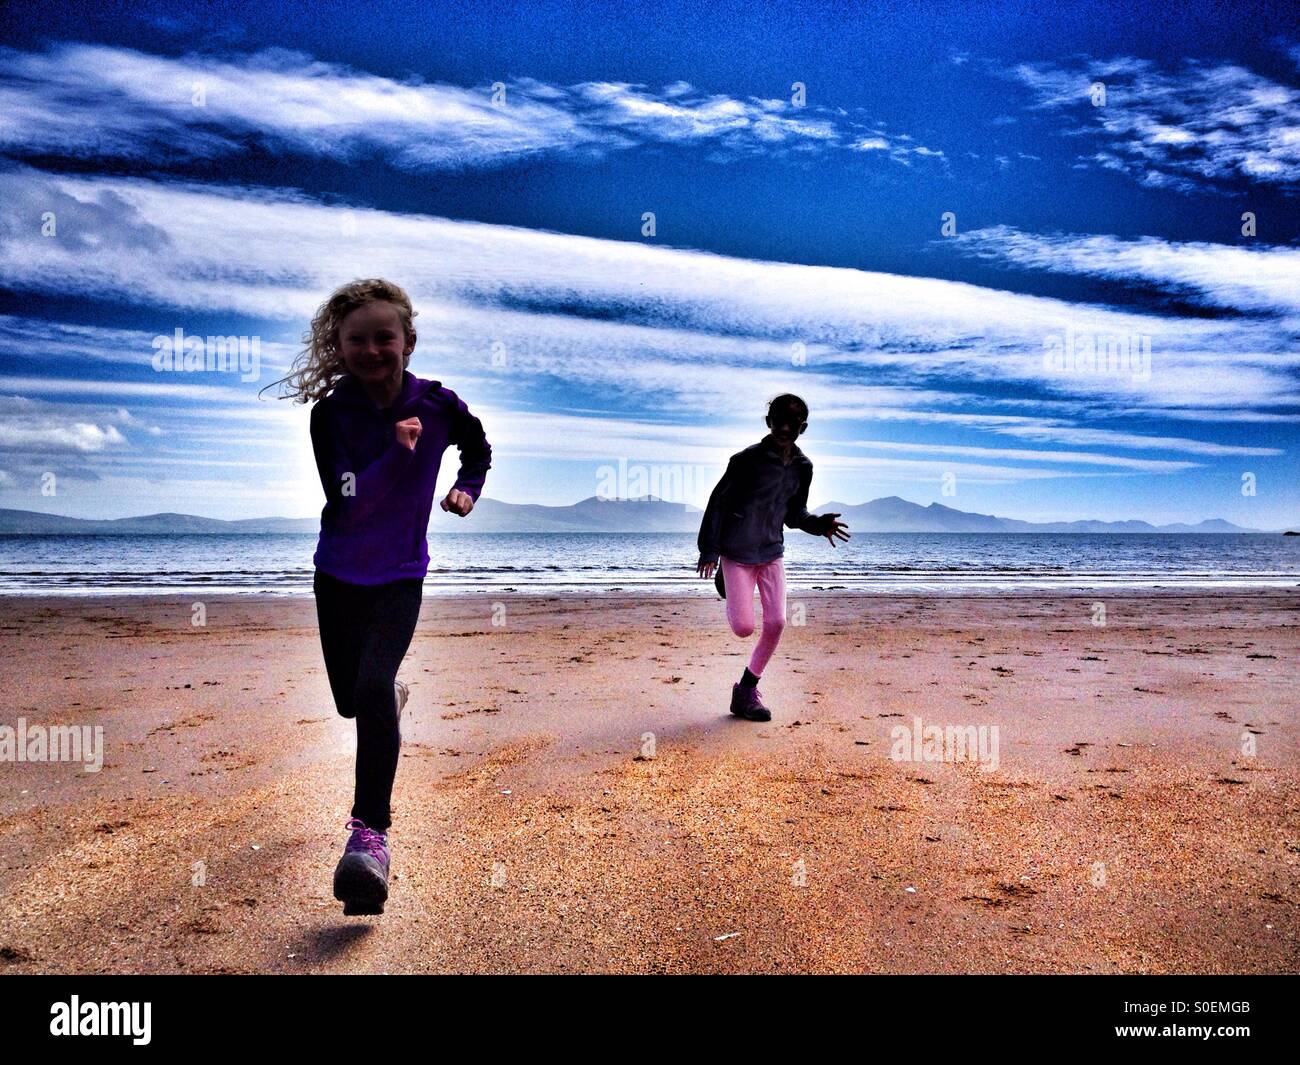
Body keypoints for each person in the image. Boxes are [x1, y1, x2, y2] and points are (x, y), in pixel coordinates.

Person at [265, 278, 491, 915]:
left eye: (382, 338)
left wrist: (466, 488)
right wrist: (397, 454)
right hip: (337, 573)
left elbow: (478, 448)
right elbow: (343, 494)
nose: (370, 350)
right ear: (337, 346)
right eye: (356, 340)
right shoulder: (330, 414)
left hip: (399, 575)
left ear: (408, 341)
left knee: (368, 689)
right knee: (352, 700)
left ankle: (369, 840)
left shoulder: (441, 404)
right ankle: (386, 693)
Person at [696, 394, 849, 721]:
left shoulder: (803, 467)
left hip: (771, 553)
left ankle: (747, 690)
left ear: (802, 427)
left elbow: (794, 515)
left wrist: (817, 524)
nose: (783, 426)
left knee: (777, 622)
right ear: (768, 421)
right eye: (777, 418)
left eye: (792, 421)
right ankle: (726, 575)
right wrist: (709, 550)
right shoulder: (745, 461)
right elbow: (718, 503)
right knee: (743, 627)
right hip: (736, 553)